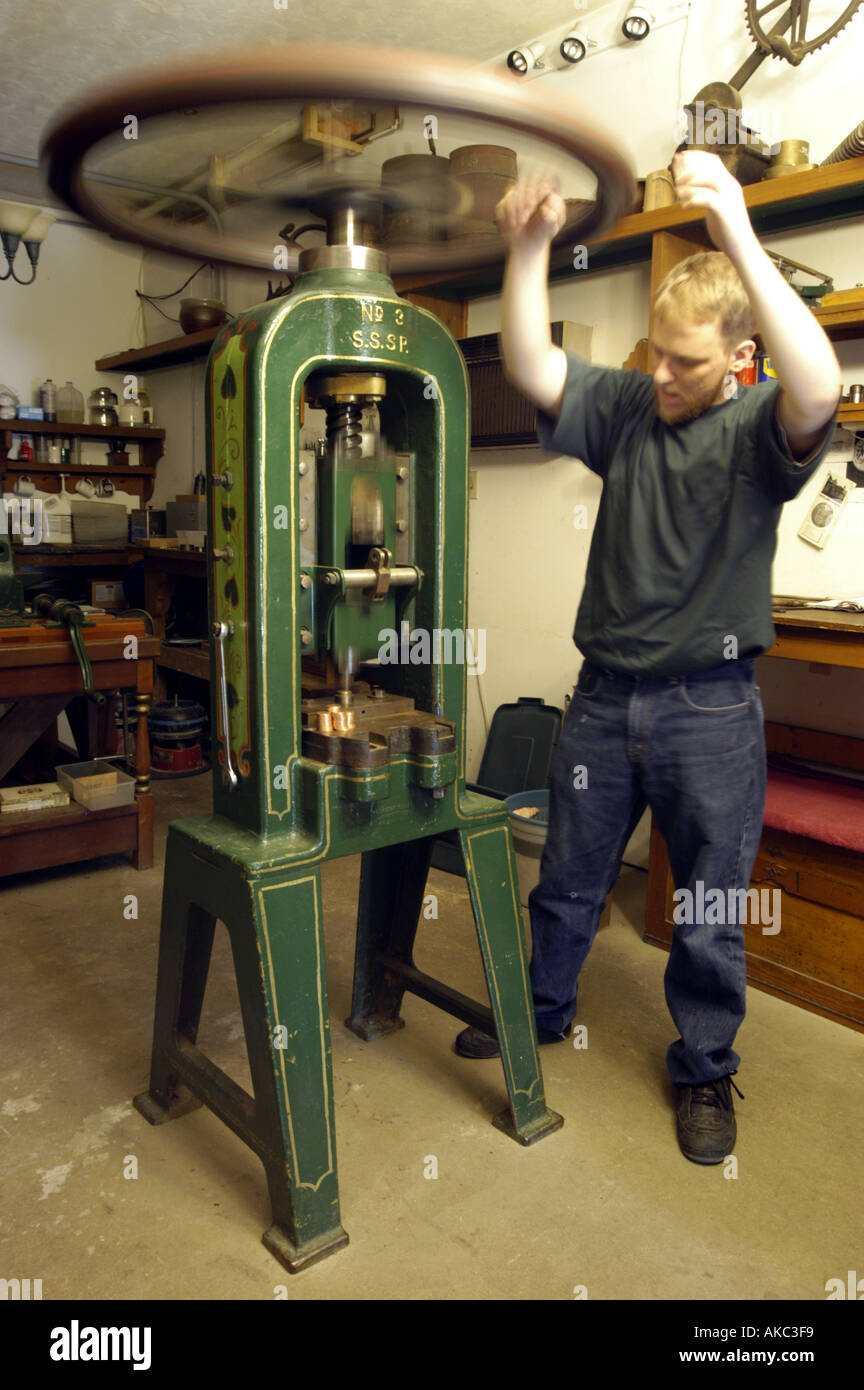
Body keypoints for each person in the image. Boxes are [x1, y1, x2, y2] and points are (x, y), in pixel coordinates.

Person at [455, 151, 841, 1165]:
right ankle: (539, 1011)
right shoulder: (629, 407)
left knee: (709, 912)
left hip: (710, 713)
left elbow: (819, 380)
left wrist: (738, 233)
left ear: (739, 356)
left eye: (686, 361)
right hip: (602, 701)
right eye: (654, 355)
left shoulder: (763, 428)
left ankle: (706, 1070)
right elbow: (535, 364)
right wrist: (529, 246)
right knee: (567, 882)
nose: (661, 375)